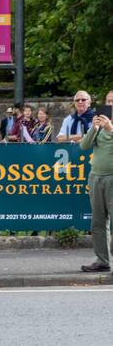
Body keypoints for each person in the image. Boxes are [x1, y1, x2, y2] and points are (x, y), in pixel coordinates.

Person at [78, 105, 113, 273]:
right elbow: (84, 146)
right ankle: (102, 260)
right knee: (98, 222)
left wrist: (110, 129)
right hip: (96, 177)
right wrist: (94, 128)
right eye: (108, 102)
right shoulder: (98, 127)